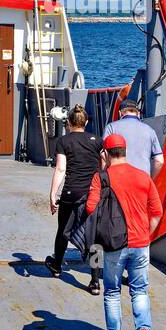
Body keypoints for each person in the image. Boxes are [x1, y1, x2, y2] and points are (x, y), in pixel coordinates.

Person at [86, 133, 162, 330]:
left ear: (106, 154)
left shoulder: (101, 178)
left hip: (113, 246)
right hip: (141, 244)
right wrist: (144, 236)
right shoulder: (143, 177)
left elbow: (90, 209)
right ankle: (143, 329)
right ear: (125, 151)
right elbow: (157, 213)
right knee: (139, 290)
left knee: (112, 292)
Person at [44, 105, 102, 294]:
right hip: (92, 193)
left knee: (63, 230)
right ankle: (94, 280)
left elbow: (61, 169)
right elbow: (102, 165)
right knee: (94, 238)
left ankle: (57, 266)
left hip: (71, 193)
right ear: (85, 122)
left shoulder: (64, 141)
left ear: (68, 123)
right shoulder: (97, 141)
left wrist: (53, 194)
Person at [103, 98, 164, 178]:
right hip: (143, 180)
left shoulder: (111, 127)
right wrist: (149, 179)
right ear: (138, 114)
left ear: (120, 113)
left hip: (118, 179)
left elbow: (104, 155)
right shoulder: (150, 130)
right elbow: (159, 161)